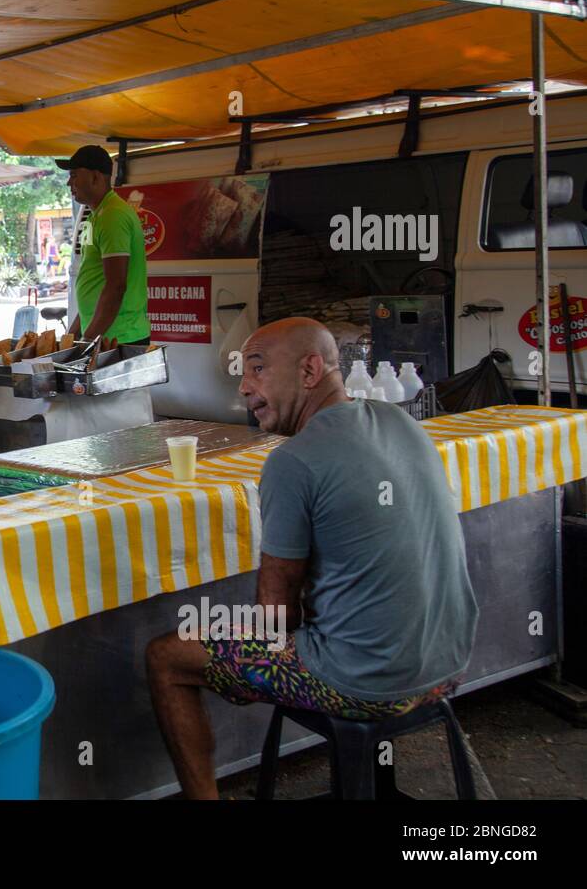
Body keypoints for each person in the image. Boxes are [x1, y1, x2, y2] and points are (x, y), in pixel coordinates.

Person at [143, 318, 478, 799]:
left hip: (367, 683)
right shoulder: (401, 421)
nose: (244, 386)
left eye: (258, 369)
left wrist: (240, 652)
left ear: (310, 370)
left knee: (167, 656)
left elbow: (276, 618)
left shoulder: (292, 462)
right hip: (450, 665)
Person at [57, 145, 151, 344]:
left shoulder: (112, 215)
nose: (69, 183)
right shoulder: (96, 215)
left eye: (74, 175)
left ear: (96, 177)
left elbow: (116, 286)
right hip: (105, 337)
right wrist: (73, 336)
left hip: (119, 339)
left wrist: (87, 340)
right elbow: (94, 282)